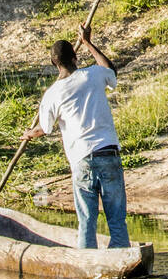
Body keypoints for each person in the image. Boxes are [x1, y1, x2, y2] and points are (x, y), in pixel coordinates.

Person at [22, 23, 130, 250]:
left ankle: (88, 266)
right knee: (117, 219)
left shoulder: (52, 94)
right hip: (108, 153)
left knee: (87, 222)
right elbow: (111, 70)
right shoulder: (93, 74)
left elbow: (46, 128)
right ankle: (121, 255)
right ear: (75, 57)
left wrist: (31, 134)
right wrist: (89, 42)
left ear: (54, 63)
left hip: (82, 160)